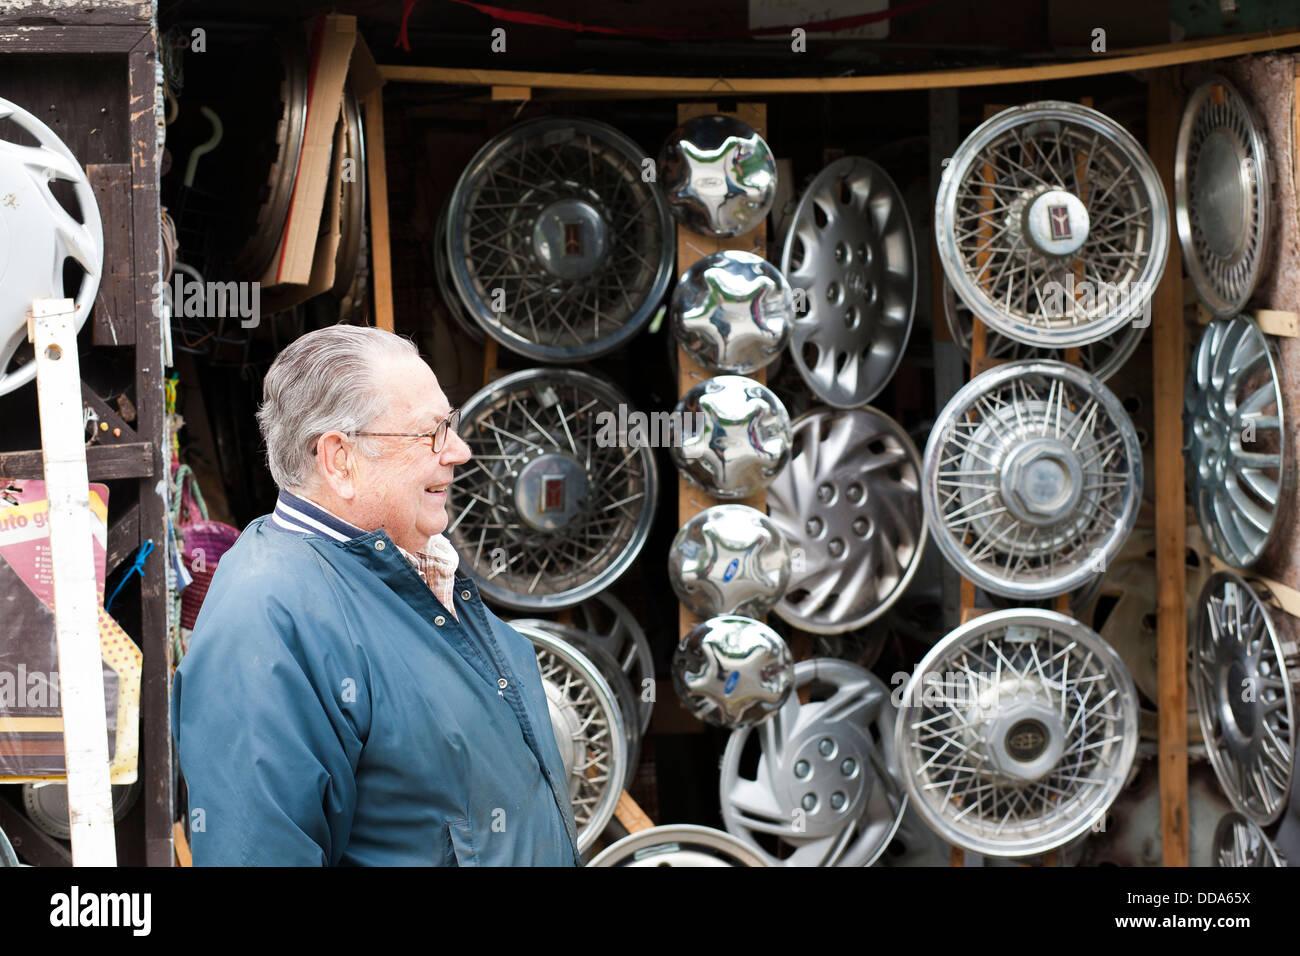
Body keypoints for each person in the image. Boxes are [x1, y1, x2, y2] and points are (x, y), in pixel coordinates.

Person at [171, 326, 581, 866]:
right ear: (340, 460)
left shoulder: (414, 564)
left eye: (451, 425)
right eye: (431, 433)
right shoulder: (269, 615)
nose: (459, 451)